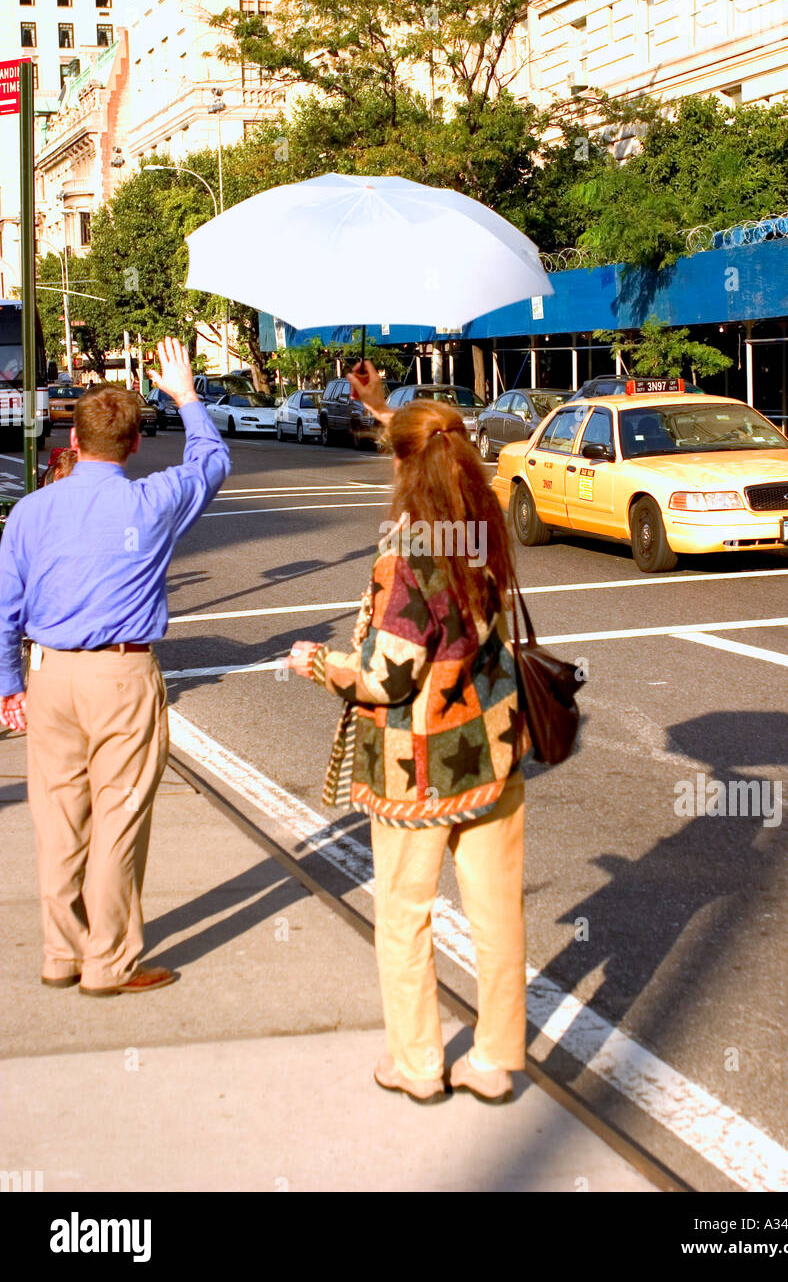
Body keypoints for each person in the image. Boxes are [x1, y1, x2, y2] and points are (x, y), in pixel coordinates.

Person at [286, 362, 530, 1105]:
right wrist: (381, 407)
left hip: (418, 764)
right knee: (496, 914)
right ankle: (494, 1059)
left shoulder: (409, 558)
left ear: (404, 468)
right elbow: (432, 440)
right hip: (490, 748)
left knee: (403, 913)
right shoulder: (480, 530)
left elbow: (387, 676)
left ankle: (418, 1062)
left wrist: (319, 662)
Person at [0, 338, 230, 995]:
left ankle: (59, 953)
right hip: (121, 676)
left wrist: (8, 684)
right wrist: (185, 396)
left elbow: (4, 606)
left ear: (73, 439)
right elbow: (211, 460)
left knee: (58, 819)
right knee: (119, 816)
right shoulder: (154, 501)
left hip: (48, 674)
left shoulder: (31, 510)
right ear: (133, 446)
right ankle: (106, 962)